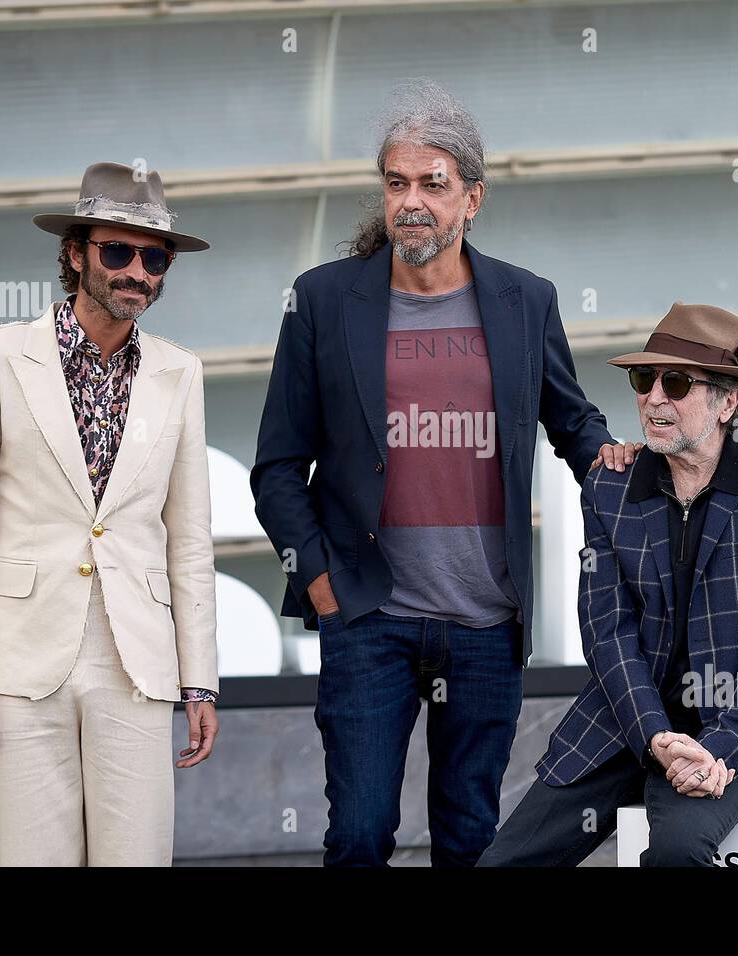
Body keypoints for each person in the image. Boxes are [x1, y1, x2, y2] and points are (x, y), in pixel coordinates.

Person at [251, 82, 638, 866]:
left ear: (472, 198)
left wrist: (616, 461)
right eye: (397, 183)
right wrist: (322, 583)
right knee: (359, 835)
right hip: (370, 615)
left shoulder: (525, 300)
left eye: (433, 184)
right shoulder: (323, 300)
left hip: (486, 620)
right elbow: (278, 467)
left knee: (469, 839)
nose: (412, 202)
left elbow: (571, 421)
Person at [0, 161, 219, 865]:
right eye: (117, 252)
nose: (136, 272)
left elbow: (188, 539)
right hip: (18, 661)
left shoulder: (180, 372)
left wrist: (200, 678)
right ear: (75, 254)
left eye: (154, 259)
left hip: (136, 661)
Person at [480, 302, 738, 866]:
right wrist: (656, 737)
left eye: (677, 383)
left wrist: (720, 748)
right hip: (625, 718)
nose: (653, 398)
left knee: (677, 852)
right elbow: (606, 631)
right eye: (644, 379)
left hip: (734, 728)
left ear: (727, 403)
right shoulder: (611, 485)